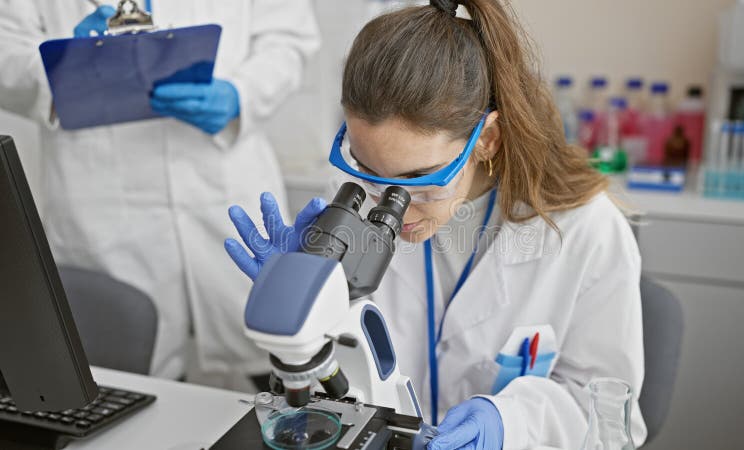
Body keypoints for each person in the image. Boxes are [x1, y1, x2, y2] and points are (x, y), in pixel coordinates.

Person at [224, 0, 647, 448]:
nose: (393, 207)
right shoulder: (350, 209)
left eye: (417, 181)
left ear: (485, 139)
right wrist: (304, 319)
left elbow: (611, 415)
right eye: (366, 172)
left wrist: (513, 423)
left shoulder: (587, 229)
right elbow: (336, 390)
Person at [0, 1, 320, 381]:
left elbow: (289, 35)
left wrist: (242, 95)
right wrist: (60, 65)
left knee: (272, 362)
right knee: (126, 374)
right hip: (100, 199)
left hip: (223, 181)